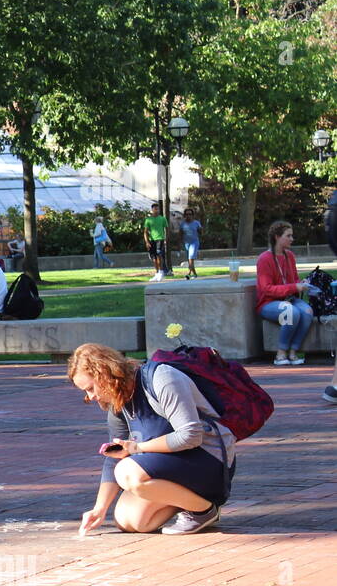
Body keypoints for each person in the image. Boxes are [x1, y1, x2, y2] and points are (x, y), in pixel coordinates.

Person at [70, 343, 235, 535]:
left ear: (105, 374)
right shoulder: (117, 400)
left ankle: (203, 511)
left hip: (209, 459)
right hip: (173, 465)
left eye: (90, 388)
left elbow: (190, 436)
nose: (90, 397)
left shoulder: (162, 378)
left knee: (128, 472)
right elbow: (113, 457)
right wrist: (100, 509)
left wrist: (137, 448)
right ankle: (191, 502)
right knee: (131, 521)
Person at [256, 220, 313, 367]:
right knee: (291, 312)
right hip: (268, 303)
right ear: (277, 237)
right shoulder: (264, 259)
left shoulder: (290, 256)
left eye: (291, 236)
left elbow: (294, 280)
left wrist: (302, 284)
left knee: (307, 311)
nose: (292, 239)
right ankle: (281, 353)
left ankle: (293, 352)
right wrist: (294, 287)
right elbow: (266, 289)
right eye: (288, 236)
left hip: (289, 299)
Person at [143, 202, 168, 281]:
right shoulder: (148, 220)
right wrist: (147, 242)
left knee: (159, 255)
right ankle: (157, 273)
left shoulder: (162, 219)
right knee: (153, 257)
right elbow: (145, 232)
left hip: (160, 239)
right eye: (155, 209)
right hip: (152, 241)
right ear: (152, 210)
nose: (156, 210)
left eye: (158, 209)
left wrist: (166, 239)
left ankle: (161, 272)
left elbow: (167, 229)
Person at [181, 207, 202, 279]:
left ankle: (189, 273)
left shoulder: (196, 223)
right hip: (186, 243)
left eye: (190, 214)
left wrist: (200, 230)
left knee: (191, 258)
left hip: (194, 243)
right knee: (190, 259)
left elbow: (201, 233)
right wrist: (178, 245)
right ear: (184, 215)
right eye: (186, 214)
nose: (188, 216)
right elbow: (180, 234)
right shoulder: (183, 224)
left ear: (192, 215)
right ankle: (195, 274)